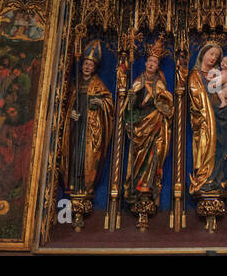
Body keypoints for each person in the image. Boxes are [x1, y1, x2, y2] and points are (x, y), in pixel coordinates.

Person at [124, 41, 174, 221]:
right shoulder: (138, 81)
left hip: (155, 126)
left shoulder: (160, 83)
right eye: (150, 61)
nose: (152, 64)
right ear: (145, 64)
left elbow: (167, 106)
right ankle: (136, 187)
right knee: (138, 158)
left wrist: (162, 100)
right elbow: (130, 108)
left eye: (155, 62)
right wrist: (131, 99)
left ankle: (149, 187)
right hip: (140, 127)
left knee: (154, 156)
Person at [60, 41, 114, 203]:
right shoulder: (74, 84)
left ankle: (86, 184)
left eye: (90, 64)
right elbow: (64, 107)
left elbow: (109, 104)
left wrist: (99, 103)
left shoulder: (98, 85)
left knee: (88, 156)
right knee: (74, 154)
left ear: (95, 67)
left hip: (90, 128)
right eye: (85, 63)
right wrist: (71, 114)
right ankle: (72, 183)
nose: (87, 67)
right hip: (75, 128)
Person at [187, 42, 227, 199]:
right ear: (203, 54)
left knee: (222, 148)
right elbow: (196, 97)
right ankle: (205, 179)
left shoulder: (219, 73)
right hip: (205, 121)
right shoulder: (196, 75)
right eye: (211, 54)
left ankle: (216, 179)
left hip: (223, 119)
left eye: (216, 56)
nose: (213, 58)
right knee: (206, 149)